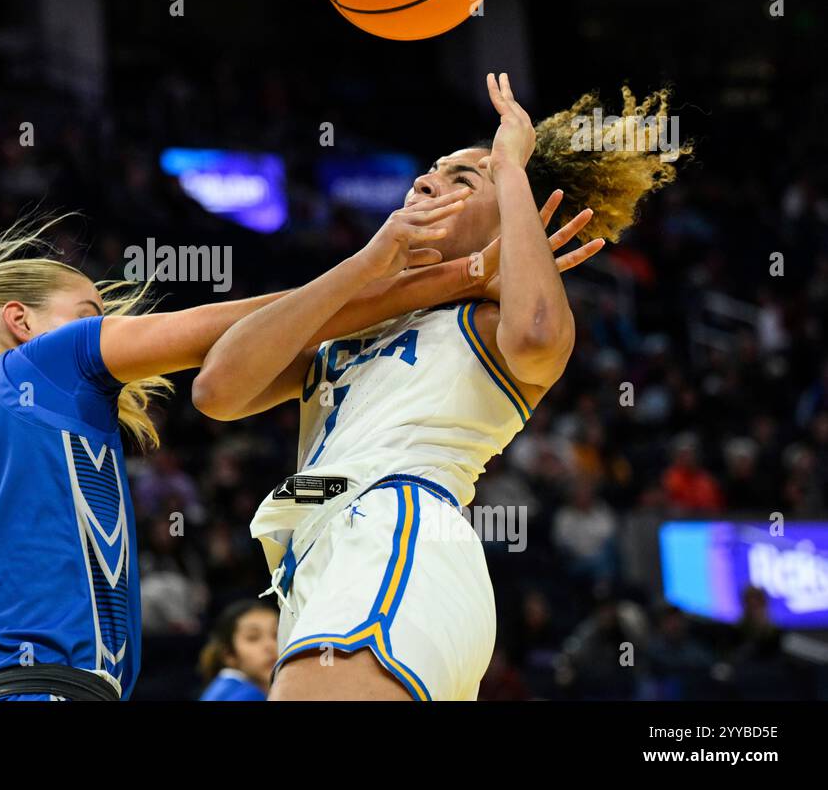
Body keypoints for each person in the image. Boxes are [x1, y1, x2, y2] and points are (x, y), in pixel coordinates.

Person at [194, 73, 689, 700]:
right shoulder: (351, 330)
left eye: (464, 179)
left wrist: (511, 166)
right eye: (431, 170)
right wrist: (367, 265)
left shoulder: (486, 324)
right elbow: (218, 389)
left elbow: (539, 336)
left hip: (393, 536)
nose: (429, 180)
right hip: (319, 564)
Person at [0, 208, 500, 701]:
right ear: (21, 322)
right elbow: (249, 322)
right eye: (90, 316)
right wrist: (457, 277)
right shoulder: (44, 362)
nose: (102, 328)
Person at [197, 600, 278, 700]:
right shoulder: (247, 696)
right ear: (229, 654)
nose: (270, 646)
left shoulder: (223, 689)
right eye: (253, 637)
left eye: (276, 635)